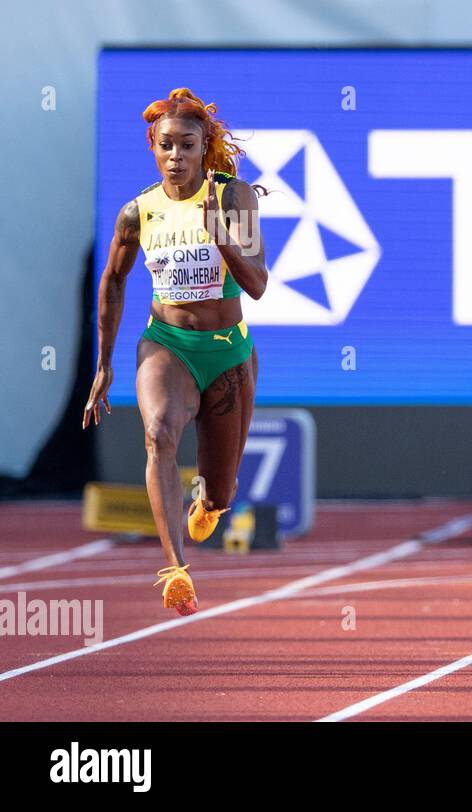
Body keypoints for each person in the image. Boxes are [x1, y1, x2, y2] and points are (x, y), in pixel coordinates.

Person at [83, 88, 268, 615]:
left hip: (228, 354)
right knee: (159, 434)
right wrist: (104, 363)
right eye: (166, 146)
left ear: (203, 146)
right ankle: (175, 569)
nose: (176, 157)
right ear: (153, 146)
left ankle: (208, 503)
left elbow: (257, 285)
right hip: (167, 344)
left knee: (220, 494)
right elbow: (113, 282)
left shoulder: (234, 197)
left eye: (187, 146)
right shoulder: (137, 213)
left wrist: (221, 236)